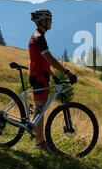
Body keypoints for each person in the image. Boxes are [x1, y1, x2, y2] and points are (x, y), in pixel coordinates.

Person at [28, 8, 77, 151]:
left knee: (39, 109)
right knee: (40, 110)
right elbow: (49, 58)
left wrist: (53, 76)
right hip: (39, 77)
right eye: (48, 19)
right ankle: (39, 143)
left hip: (40, 74)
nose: (51, 22)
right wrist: (67, 72)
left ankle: (39, 140)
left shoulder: (38, 36)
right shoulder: (39, 37)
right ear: (41, 21)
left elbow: (42, 61)